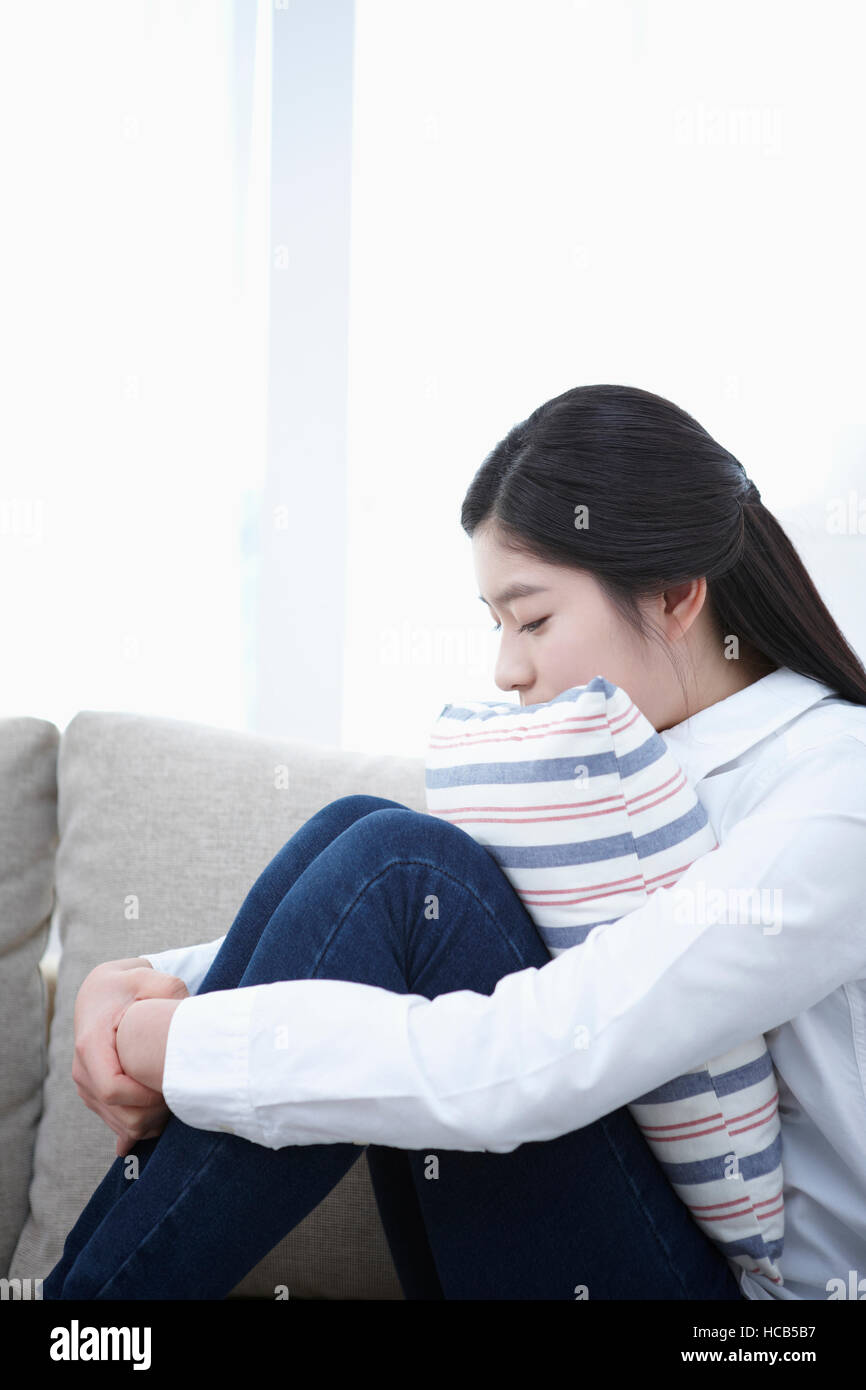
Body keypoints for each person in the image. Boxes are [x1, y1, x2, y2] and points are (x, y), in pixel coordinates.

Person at [43, 383, 866, 1301]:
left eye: (535, 618)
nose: (507, 669)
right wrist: (148, 986)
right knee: (366, 833)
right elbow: (390, 920)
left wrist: (191, 1045)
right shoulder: (628, 774)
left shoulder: (838, 797)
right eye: (497, 624)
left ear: (676, 595)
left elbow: (535, 1055)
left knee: (399, 865)